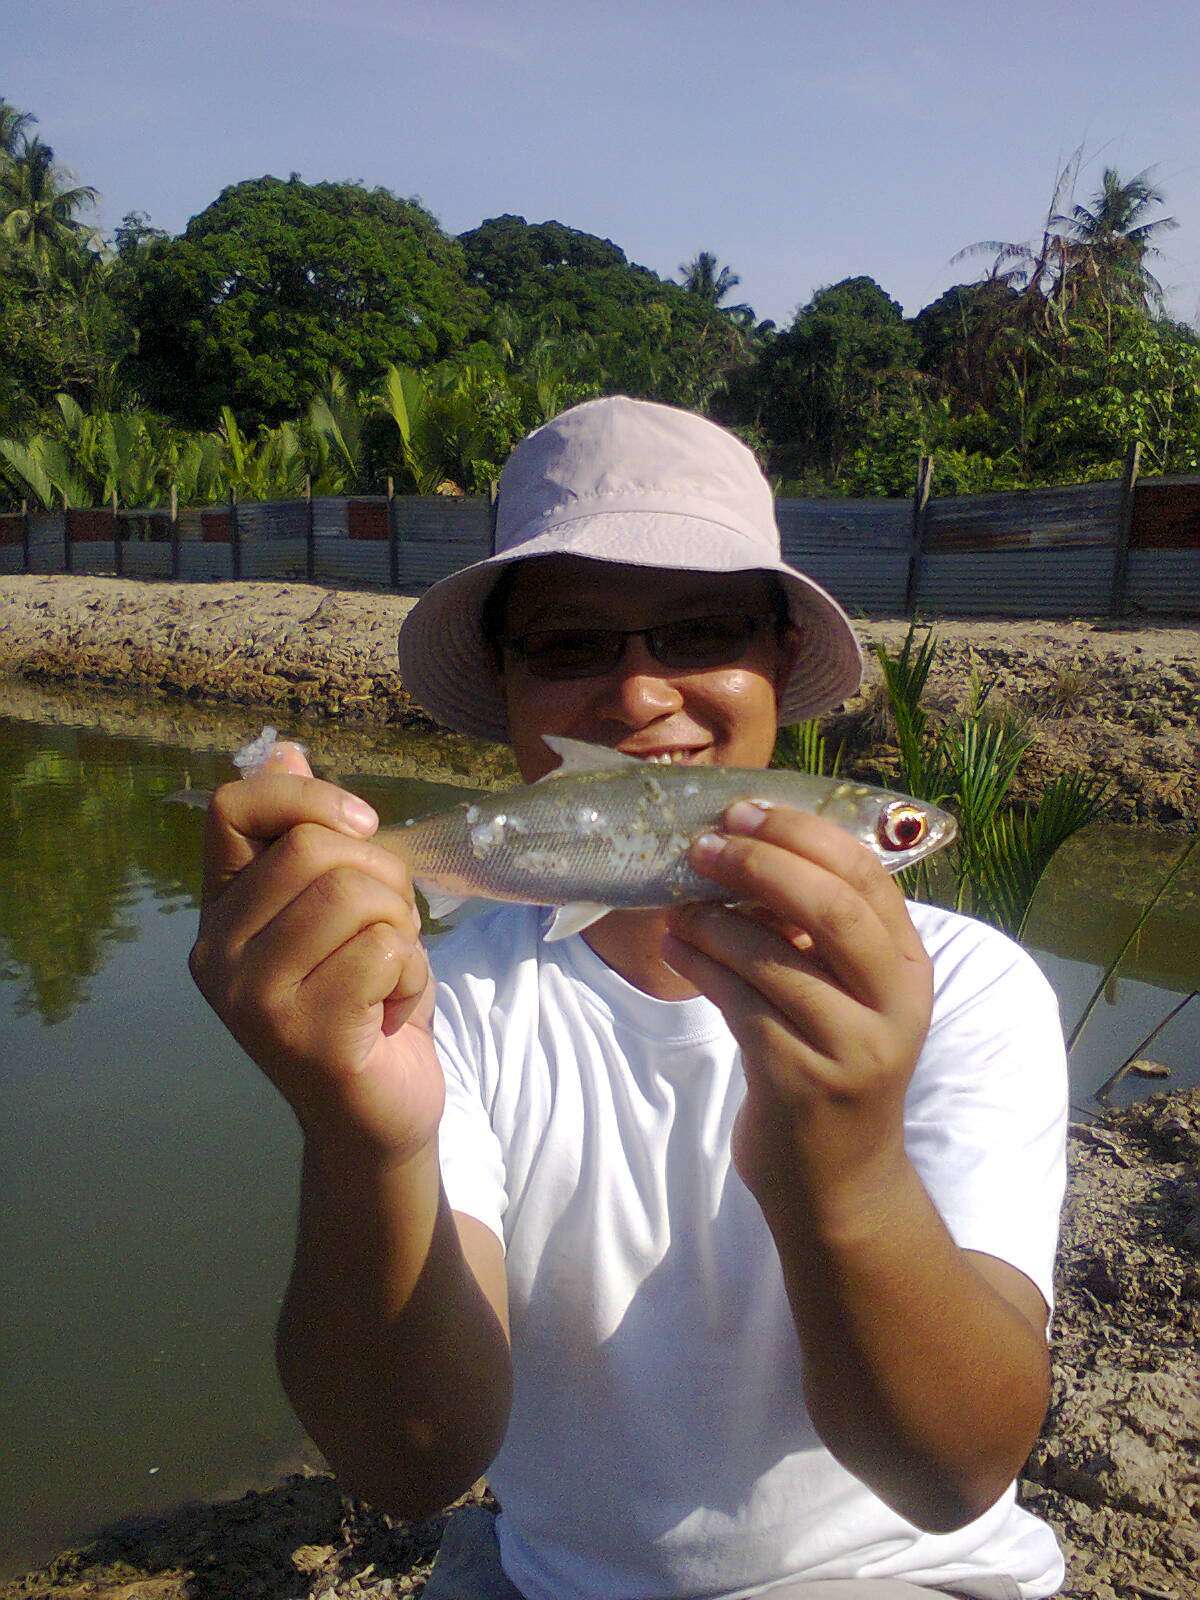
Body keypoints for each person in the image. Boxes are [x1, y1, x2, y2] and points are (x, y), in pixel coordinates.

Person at [189, 397, 1069, 1600]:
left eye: (699, 628)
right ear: (501, 682)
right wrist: (357, 1128)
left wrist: (846, 1157)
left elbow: (954, 1469)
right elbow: (411, 1469)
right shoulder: (446, 999)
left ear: (778, 665)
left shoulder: (966, 988)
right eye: (569, 646)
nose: (641, 697)